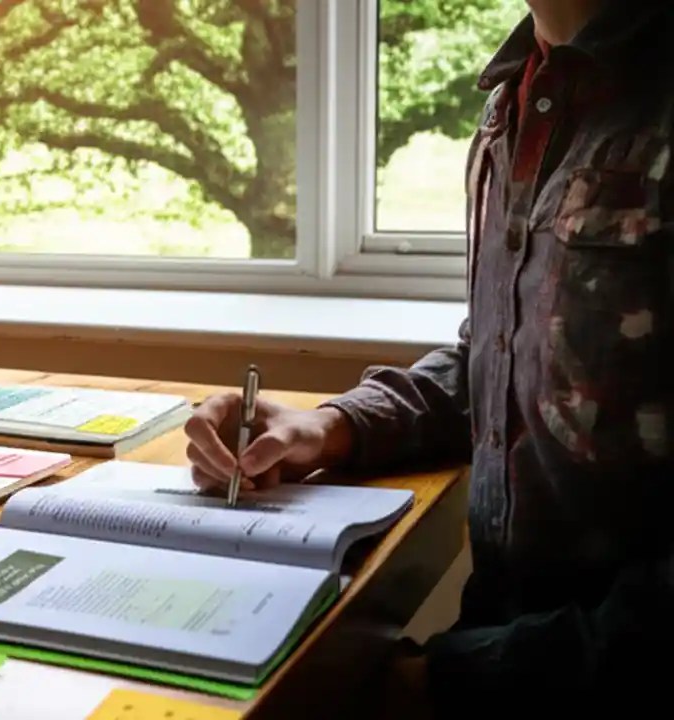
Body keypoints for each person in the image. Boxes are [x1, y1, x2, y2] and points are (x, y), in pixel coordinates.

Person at [184, 0, 674, 716]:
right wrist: (329, 428)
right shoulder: (515, 98)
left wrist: (443, 686)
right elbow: (504, 351)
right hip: (496, 637)